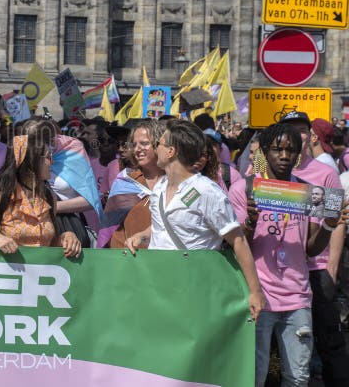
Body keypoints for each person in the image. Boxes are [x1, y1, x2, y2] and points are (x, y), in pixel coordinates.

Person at [229, 122, 349, 387]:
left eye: (291, 150)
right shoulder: (243, 190)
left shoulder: (310, 194)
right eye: (277, 150)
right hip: (257, 296)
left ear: (298, 154)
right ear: (264, 152)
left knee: (297, 378)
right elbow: (236, 246)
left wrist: (330, 224)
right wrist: (249, 222)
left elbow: (311, 249)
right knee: (254, 376)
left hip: (297, 297)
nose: (284, 156)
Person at [125, 121, 265, 322]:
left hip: (194, 290)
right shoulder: (160, 186)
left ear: (171, 151)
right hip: (157, 287)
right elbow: (162, 225)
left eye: (159, 144)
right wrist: (143, 235)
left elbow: (238, 240)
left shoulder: (206, 191)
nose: (156, 148)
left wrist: (255, 291)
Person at [278, 111, 348, 385]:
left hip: (316, 267)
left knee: (329, 336)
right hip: (279, 269)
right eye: (290, 130)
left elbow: (336, 222)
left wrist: (331, 266)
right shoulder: (267, 168)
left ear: (311, 136)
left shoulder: (326, 172)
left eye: (302, 130)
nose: (297, 136)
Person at [0, 131, 82, 259]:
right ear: (30, 161)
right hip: (7, 275)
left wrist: (66, 236)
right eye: (48, 156)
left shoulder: (48, 197)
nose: (52, 162)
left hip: (40, 274)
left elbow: (47, 244)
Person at [98, 119, 165, 249]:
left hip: (169, 261)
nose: (137, 149)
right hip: (131, 261)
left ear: (160, 145)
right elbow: (111, 231)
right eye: (134, 144)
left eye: (144, 143)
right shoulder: (125, 182)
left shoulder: (175, 182)